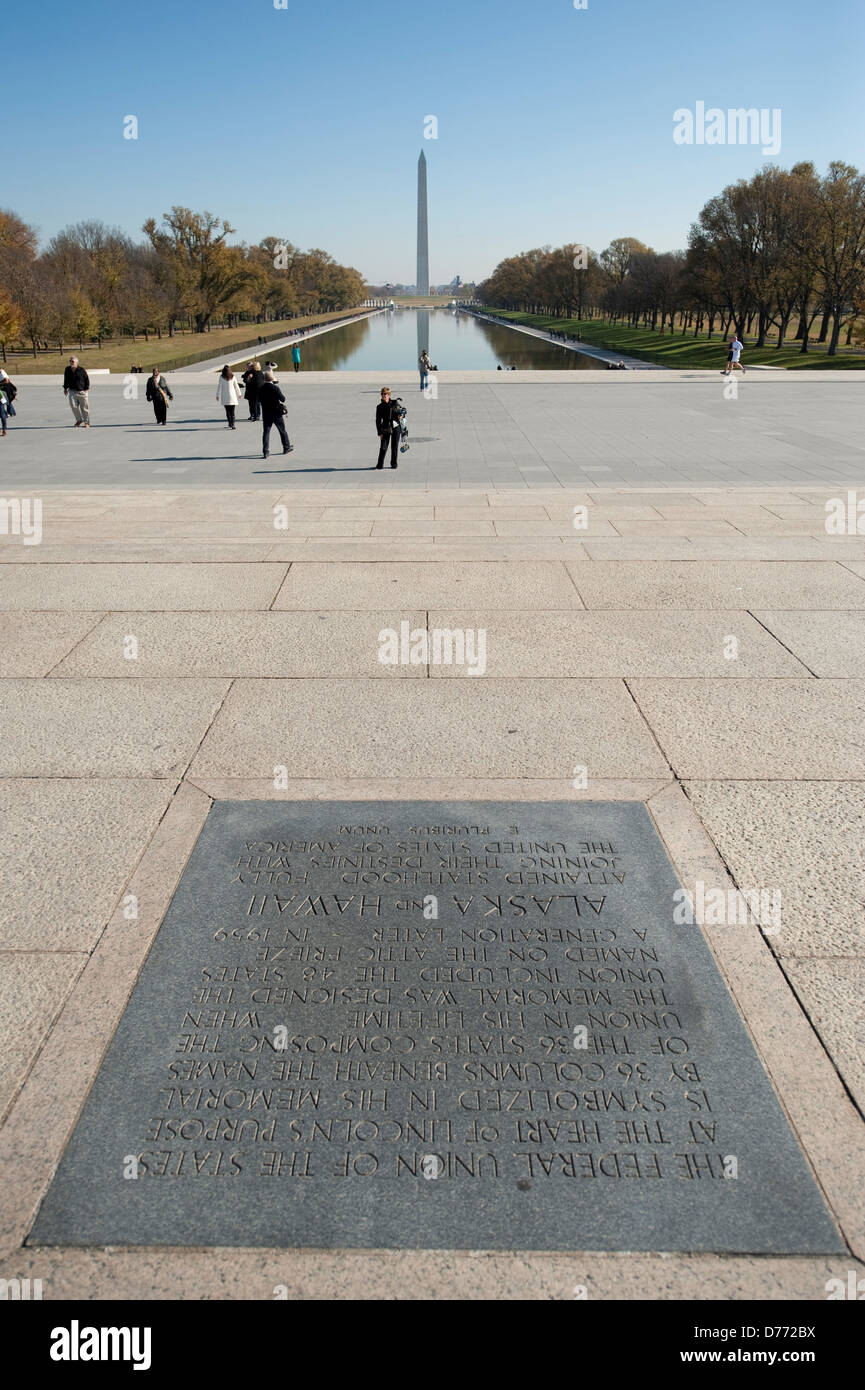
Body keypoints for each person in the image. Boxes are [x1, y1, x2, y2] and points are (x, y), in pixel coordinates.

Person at [259, 370, 293, 458]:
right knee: (282, 430)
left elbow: (259, 400)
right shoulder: (275, 388)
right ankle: (286, 447)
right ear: (272, 378)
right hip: (276, 412)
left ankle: (265, 451)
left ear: (264, 379)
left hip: (266, 413)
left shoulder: (261, 388)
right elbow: (283, 399)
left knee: (266, 432)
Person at [375, 386, 401, 469]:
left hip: (396, 427)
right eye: (382, 394)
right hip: (385, 428)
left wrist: (400, 416)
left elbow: (400, 413)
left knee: (394, 447)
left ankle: (394, 464)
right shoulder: (379, 407)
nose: (384, 395)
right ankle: (380, 464)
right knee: (383, 447)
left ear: (389, 395)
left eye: (385, 394)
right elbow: (378, 421)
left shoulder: (395, 403)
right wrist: (379, 433)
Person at [63, 356, 90, 427]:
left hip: (82, 391)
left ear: (76, 362)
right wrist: (65, 388)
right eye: (70, 361)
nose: (71, 362)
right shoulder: (67, 369)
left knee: (84, 408)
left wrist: (86, 388)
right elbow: (66, 379)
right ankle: (79, 420)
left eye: (72, 361)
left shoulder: (81, 370)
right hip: (72, 391)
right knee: (73, 406)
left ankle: (86, 422)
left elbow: (86, 379)